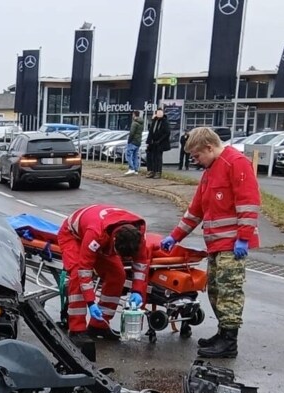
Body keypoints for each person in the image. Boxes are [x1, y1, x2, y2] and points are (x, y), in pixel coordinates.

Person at [160, 127, 261, 359]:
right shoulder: (210, 170)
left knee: (229, 291)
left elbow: (248, 202)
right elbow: (196, 210)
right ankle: (222, 333)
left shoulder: (235, 163)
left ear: (209, 147)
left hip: (232, 245)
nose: (196, 161)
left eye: (197, 156)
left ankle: (229, 341)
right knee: (215, 290)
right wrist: (175, 236)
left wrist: (243, 238)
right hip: (217, 245)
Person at [58, 204, 151, 343]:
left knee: (118, 275)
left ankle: (99, 326)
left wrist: (137, 290)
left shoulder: (138, 235)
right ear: (114, 241)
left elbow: (141, 264)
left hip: (102, 239)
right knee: (77, 274)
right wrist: (90, 302)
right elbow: (85, 270)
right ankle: (76, 330)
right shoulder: (96, 233)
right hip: (72, 235)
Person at [146, 108, 171, 179]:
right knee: (151, 157)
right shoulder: (154, 121)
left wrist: (159, 141)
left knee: (158, 158)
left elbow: (167, 133)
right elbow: (151, 132)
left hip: (160, 143)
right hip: (152, 143)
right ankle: (151, 171)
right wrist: (148, 142)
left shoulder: (164, 122)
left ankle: (158, 172)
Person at [124, 110, 142, 175]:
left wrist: (129, 141)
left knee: (128, 154)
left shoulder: (134, 123)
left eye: (132, 114)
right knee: (135, 155)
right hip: (138, 141)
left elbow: (132, 133)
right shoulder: (141, 122)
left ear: (134, 114)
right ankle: (136, 169)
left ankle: (131, 168)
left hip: (133, 141)